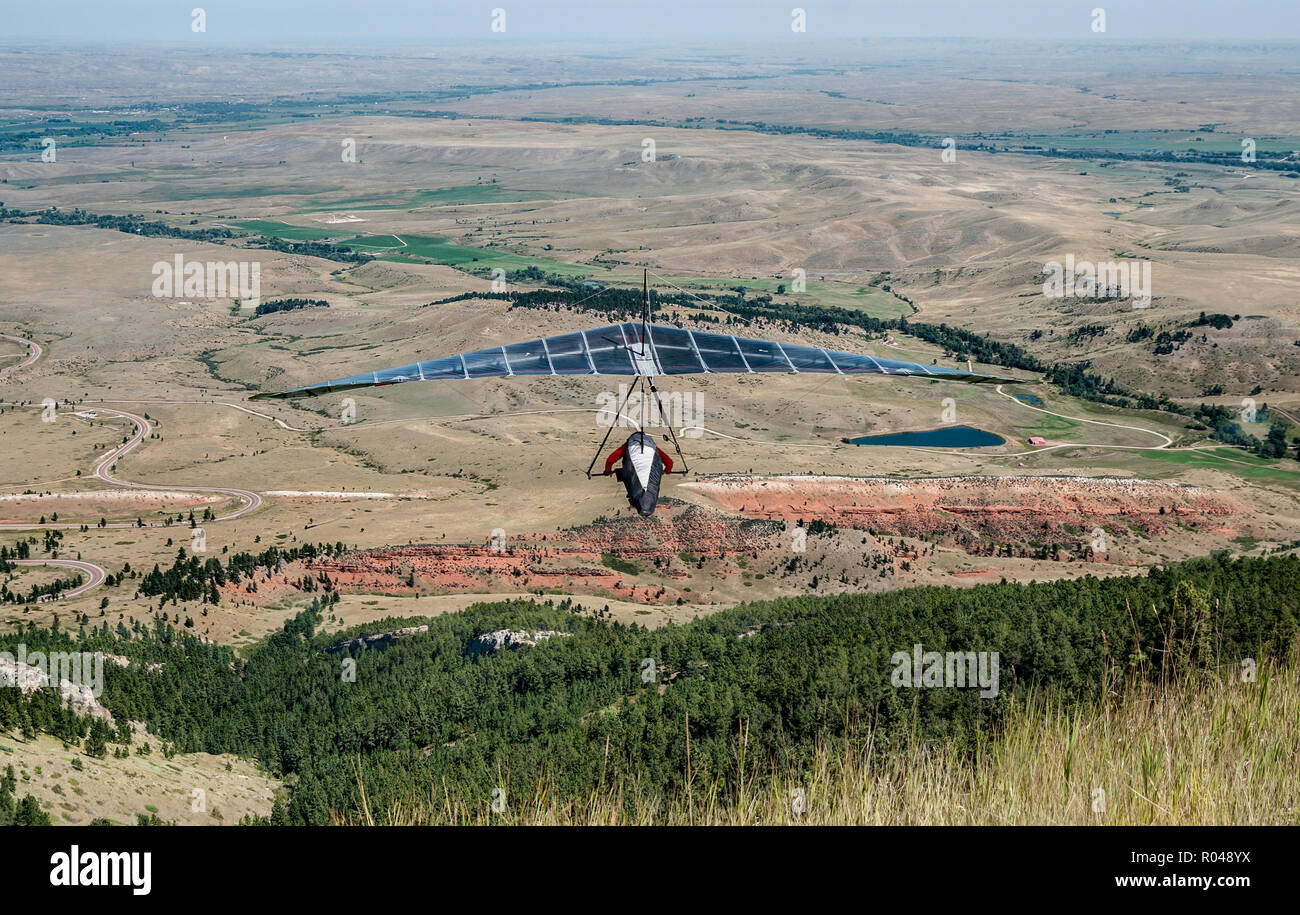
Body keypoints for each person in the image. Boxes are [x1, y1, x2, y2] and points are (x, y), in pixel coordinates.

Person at [603, 431, 674, 516]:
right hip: (653, 472)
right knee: (651, 489)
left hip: (632, 472)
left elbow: (610, 459)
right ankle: (646, 505)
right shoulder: (653, 447)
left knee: (629, 475)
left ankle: (639, 502)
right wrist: (666, 471)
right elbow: (669, 463)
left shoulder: (628, 445)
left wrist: (608, 471)